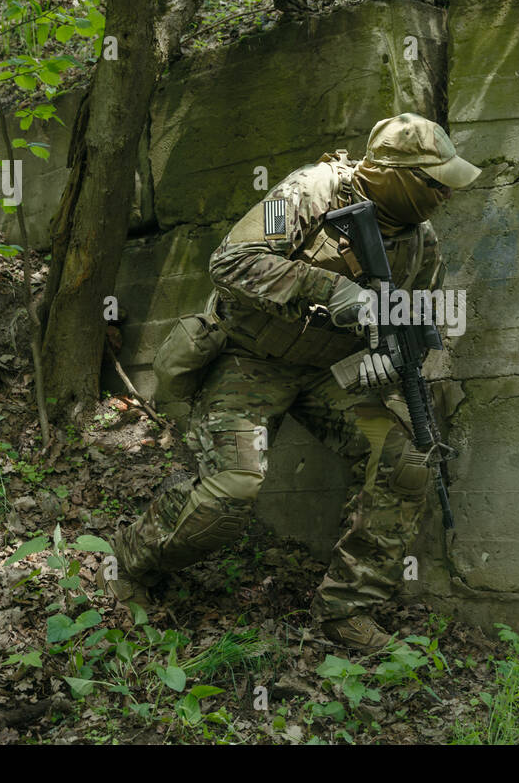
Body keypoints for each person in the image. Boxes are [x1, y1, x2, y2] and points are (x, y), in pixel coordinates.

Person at [104, 113, 480, 651]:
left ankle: (345, 611)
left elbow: (412, 324)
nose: (444, 195)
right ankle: (132, 559)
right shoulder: (309, 191)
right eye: (434, 183)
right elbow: (233, 262)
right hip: (247, 361)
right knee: (233, 488)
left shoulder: (423, 245)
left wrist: (384, 362)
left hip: (330, 377)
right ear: (396, 174)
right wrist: (338, 294)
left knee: (406, 464)